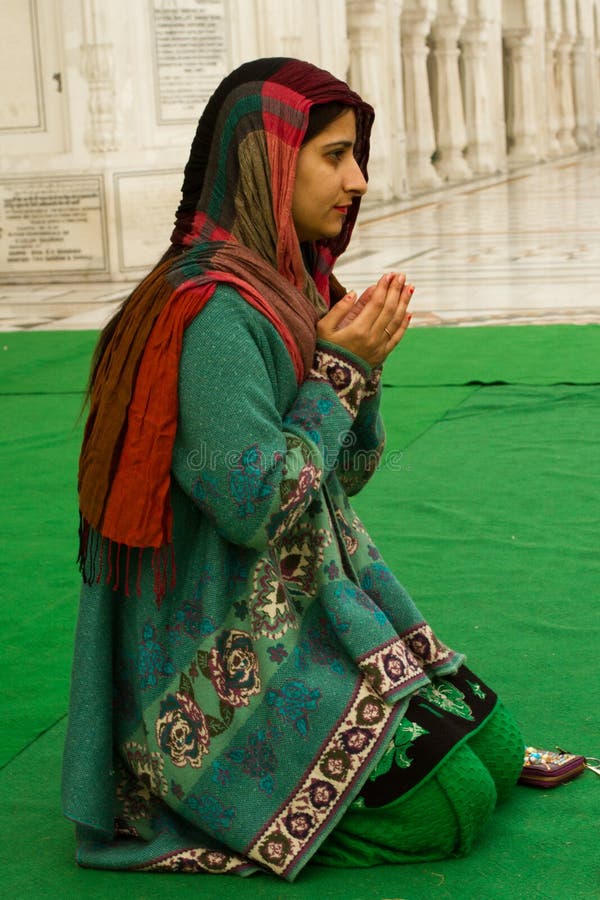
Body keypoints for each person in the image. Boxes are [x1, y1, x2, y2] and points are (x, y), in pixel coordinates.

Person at [62, 57, 524, 880]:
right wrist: (340, 371)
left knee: (500, 750)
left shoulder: (292, 285)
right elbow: (254, 503)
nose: (359, 180)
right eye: (335, 156)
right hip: (215, 647)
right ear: (268, 164)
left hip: (299, 600)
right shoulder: (209, 311)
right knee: (453, 804)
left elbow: (350, 472)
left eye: (356, 156)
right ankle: (223, 801)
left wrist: (358, 369)